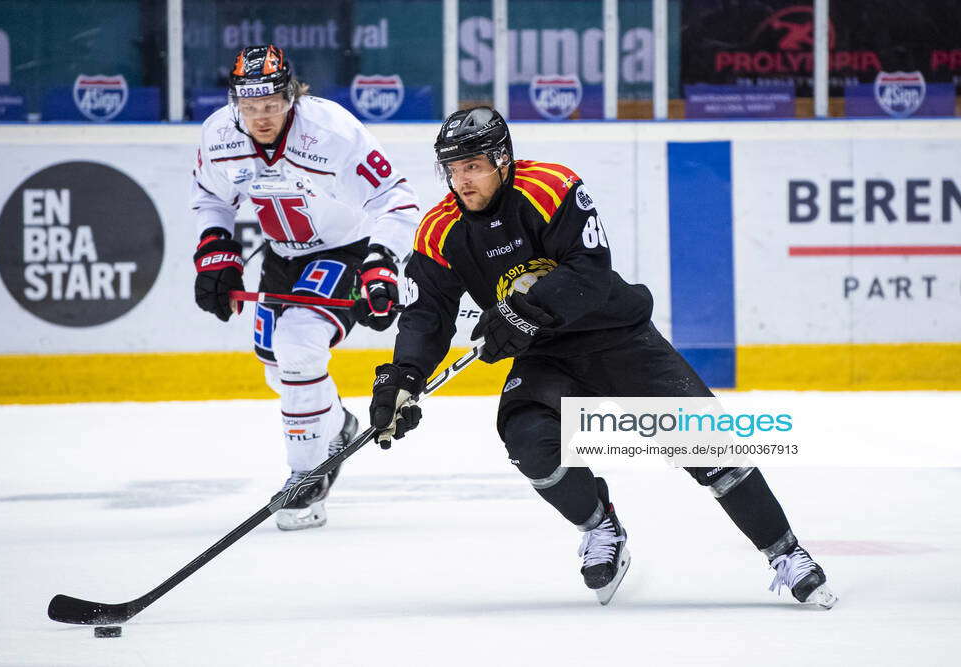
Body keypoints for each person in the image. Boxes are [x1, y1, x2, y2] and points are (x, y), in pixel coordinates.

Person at [368, 106, 837, 607]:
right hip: (546, 355)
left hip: (616, 335)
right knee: (529, 441)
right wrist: (404, 377)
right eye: (453, 169)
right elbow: (426, 317)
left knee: (707, 444)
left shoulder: (551, 187)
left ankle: (785, 552)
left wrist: (520, 312)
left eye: (474, 166)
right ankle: (600, 525)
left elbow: (590, 271)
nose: (462, 181)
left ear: (503, 161)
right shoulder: (439, 230)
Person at [191, 45, 419, 531]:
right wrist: (217, 250)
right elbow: (212, 196)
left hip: (346, 249)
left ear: (291, 95)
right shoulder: (219, 134)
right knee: (276, 362)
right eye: (250, 107)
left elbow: (396, 197)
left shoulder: (331, 131)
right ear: (235, 102)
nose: (261, 117)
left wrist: (381, 262)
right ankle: (336, 427)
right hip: (283, 255)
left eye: (271, 104)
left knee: (298, 344)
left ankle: (306, 475)